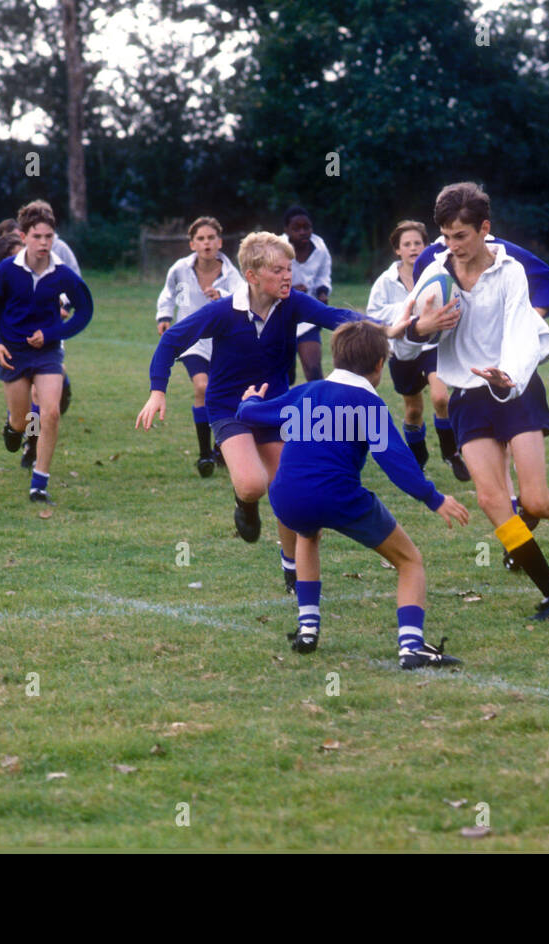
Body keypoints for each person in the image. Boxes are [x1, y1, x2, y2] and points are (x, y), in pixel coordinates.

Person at [399, 182, 549, 622]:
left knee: (537, 501)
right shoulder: (435, 269)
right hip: (467, 397)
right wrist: (420, 327)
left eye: (461, 235)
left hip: (515, 388)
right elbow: (405, 345)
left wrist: (510, 376)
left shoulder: (511, 271)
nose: (452, 246)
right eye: (445, 236)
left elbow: (525, 332)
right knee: (492, 500)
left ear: (485, 229)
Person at [137, 232, 362, 592]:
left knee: (289, 489)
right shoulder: (223, 311)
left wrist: (400, 328)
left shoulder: (293, 304)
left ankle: (291, 569)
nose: (288, 276)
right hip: (229, 408)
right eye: (278, 270)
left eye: (289, 268)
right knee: (255, 484)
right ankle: (246, 504)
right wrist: (157, 391)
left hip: (274, 408)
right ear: (253, 276)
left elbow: (338, 317)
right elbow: (172, 340)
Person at [236, 321, 469, 667]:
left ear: (336, 357)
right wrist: (434, 498)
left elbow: (253, 414)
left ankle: (308, 628)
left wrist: (249, 401)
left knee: (306, 534)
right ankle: (411, 647)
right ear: (379, 365)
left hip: (286, 495)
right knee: (409, 561)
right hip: (336, 495)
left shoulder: (307, 391)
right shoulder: (368, 404)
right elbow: (396, 462)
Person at [0, 200, 93, 504]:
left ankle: (39, 482)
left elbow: (84, 311)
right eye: (37, 236)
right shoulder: (6, 271)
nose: (44, 243)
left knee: (51, 412)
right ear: (24, 237)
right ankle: (13, 428)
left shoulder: (62, 273)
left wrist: (52, 334)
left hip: (47, 353)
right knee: (22, 420)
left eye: (49, 236)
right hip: (14, 351)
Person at [367, 219, 469, 481]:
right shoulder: (385, 282)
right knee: (413, 410)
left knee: (441, 397)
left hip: (433, 344)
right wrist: (407, 313)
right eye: (407, 244)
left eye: (418, 243)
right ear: (397, 250)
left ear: (426, 247)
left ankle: (451, 453)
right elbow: (374, 318)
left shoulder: (439, 274)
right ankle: (418, 459)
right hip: (403, 349)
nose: (413, 248)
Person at [155, 216, 244, 476]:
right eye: (201, 239)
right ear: (192, 244)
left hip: (223, 341)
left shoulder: (230, 273)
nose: (206, 243)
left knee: (221, 394)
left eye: (211, 238)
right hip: (192, 340)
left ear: (220, 242)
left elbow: (243, 297)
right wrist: (164, 316)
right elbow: (167, 294)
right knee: (202, 387)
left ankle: (220, 447)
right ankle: (205, 454)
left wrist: (223, 297)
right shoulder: (180, 269)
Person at [281, 206, 332, 382]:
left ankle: (319, 409)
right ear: (286, 231)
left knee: (314, 372)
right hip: (280, 317)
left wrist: (322, 293)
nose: (303, 232)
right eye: (297, 229)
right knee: (285, 376)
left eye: (307, 227)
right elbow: (266, 280)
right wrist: (290, 290)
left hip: (307, 316)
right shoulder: (277, 249)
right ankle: (281, 408)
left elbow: (323, 276)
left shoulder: (320, 249)